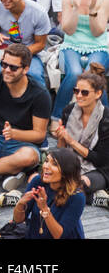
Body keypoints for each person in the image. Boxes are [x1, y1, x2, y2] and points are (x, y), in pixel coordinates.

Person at [0, 43, 50, 186]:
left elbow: (39, 135)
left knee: (28, 157)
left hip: (22, 145)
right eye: (4, 64)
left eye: (13, 67)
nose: (6, 70)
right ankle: (6, 170)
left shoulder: (40, 94)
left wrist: (14, 134)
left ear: (26, 69)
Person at [52, 64, 109, 202]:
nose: (78, 95)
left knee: (75, 185)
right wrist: (61, 137)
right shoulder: (69, 111)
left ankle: (92, 195)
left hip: (98, 169)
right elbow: (61, 150)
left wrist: (71, 141)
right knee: (47, 178)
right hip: (70, 163)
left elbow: (100, 159)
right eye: (76, 90)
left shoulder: (106, 118)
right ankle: (95, 197)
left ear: (98, 93)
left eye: (84, 92)